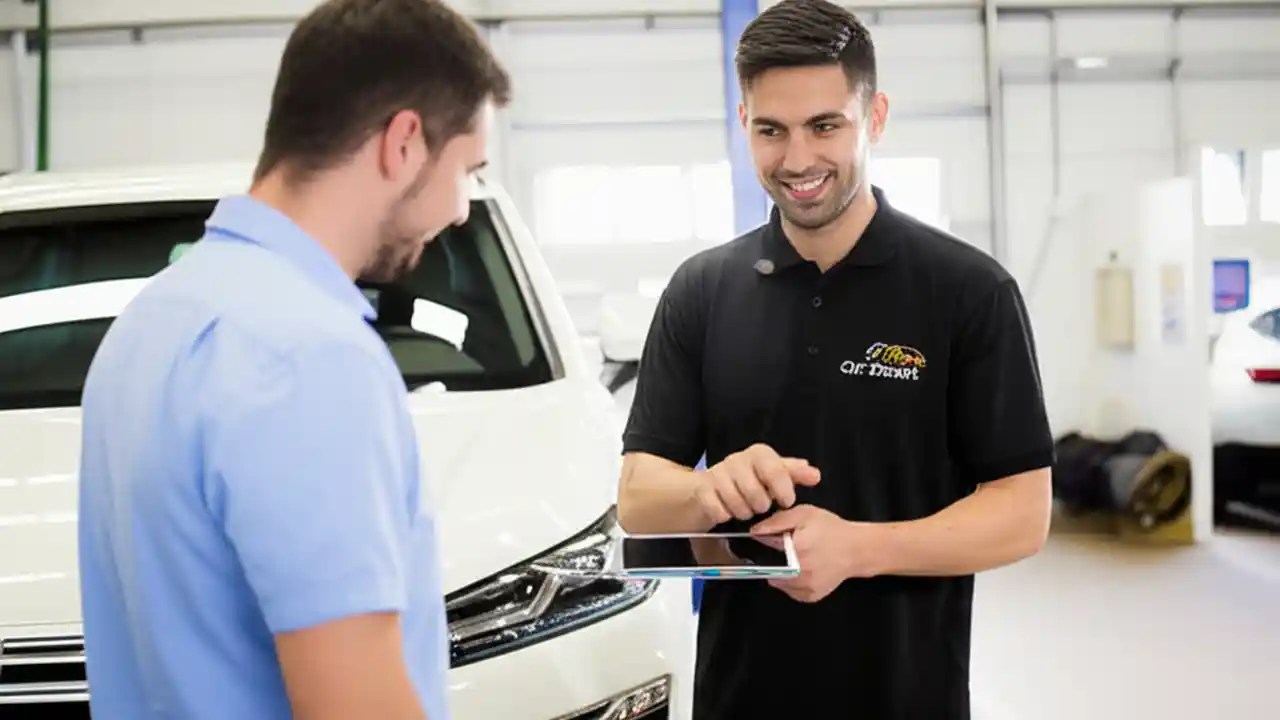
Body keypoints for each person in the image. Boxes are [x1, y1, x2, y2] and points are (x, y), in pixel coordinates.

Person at [615, 1, 1054, 718]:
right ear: (743, 123)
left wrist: (858, 549)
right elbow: (638, 498)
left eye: (826, 126)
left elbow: (1021, 514)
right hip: (741, 694)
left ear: (874, 116)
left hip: (908, 694)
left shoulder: (968, 292)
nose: (797, 160)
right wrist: (710, 490)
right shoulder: (702, 290)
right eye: (771, 130)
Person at [76, 1, 509, 718]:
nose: (463, 209)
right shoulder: (309, 355)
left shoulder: (152, 321)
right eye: (467, 168)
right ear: (403, 142)